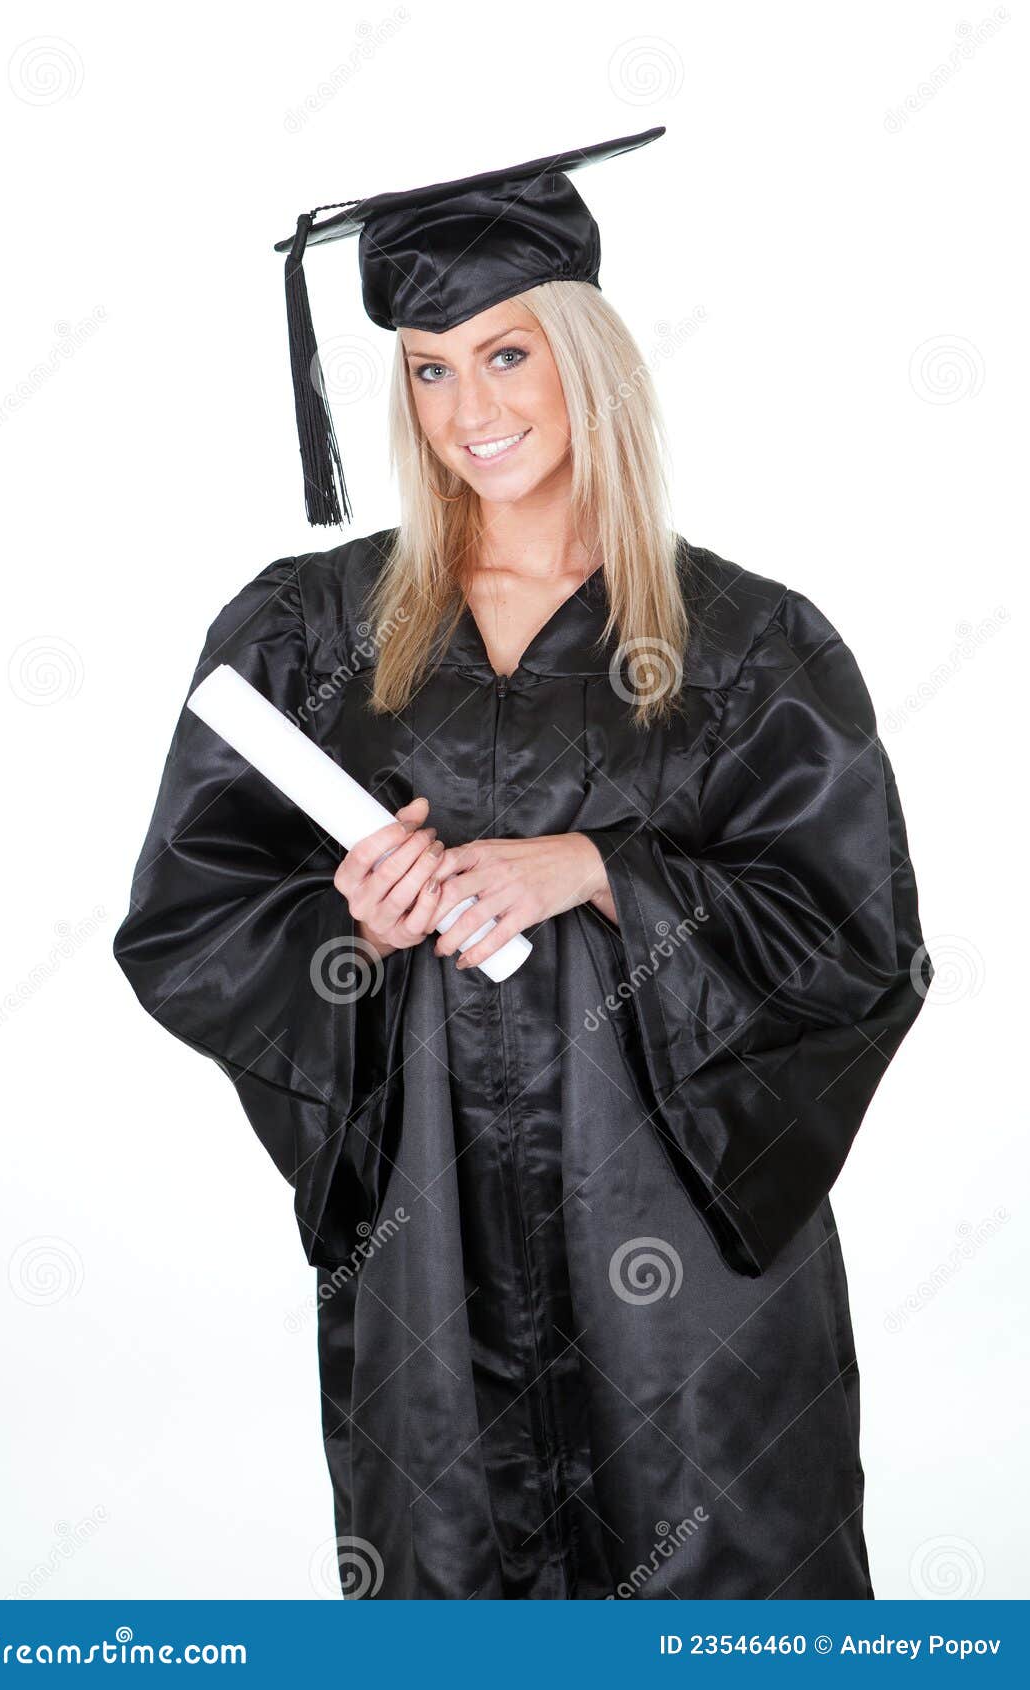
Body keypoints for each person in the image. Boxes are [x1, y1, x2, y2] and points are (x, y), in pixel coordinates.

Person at [113, 129, 933, 1600]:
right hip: (428, 1265)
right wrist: (348, 927)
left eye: (506, 355)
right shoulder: (316, 631)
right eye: (429, 369)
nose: (469, 410)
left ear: (586, 359)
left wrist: (607, 873)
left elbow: (856, 940)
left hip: (682, 1284)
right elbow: (192, 918)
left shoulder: (748, 642)